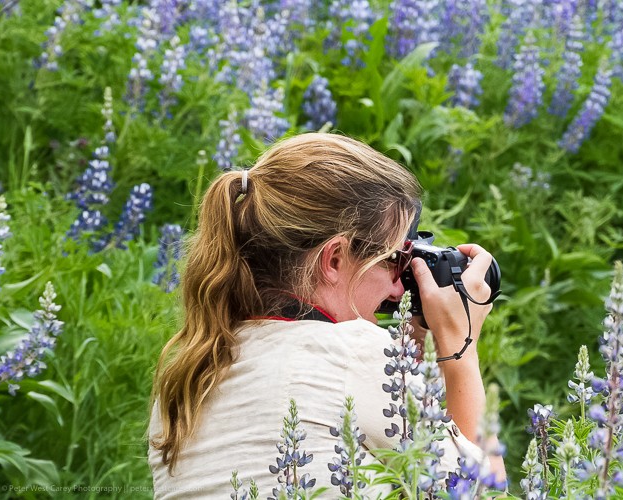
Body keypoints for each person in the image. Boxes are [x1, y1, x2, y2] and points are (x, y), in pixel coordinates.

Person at [148, 133, 505, 498]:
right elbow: (486, 490)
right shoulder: (354, 353)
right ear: (334, 259)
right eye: (395, 260)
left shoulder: (193, 371)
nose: (400, 290)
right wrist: (460, 349)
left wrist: (420, 356)